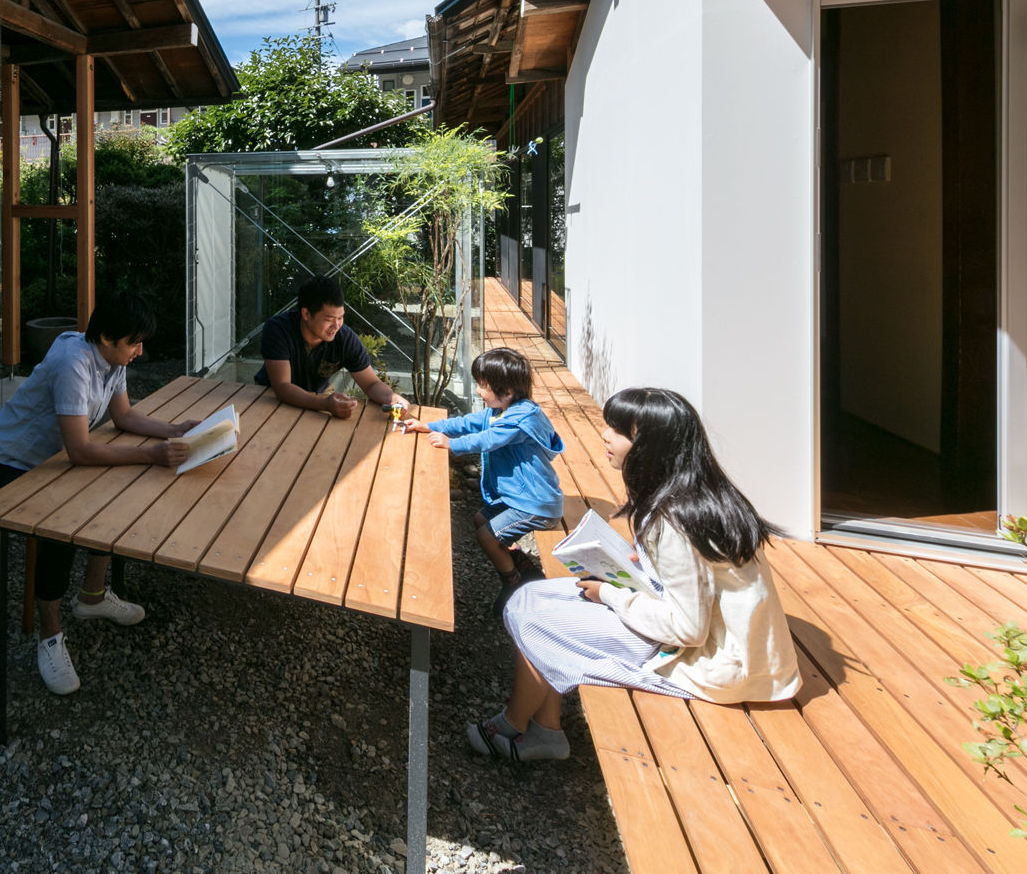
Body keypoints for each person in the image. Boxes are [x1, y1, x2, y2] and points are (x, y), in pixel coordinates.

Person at [468, 387, 800, 761]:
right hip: (698, 627)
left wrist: (610, 594)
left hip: (715, 660)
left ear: (652, 447)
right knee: (527, 597)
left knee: (538, 623)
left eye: (620, 431)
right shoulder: (691, 492)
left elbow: (689, 630)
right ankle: (546, 730)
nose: (605, 436)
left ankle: (513, 724)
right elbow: (696, 579)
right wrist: (640, 566)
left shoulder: (673, 518)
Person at [0, 291, 195, 696]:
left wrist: (176, 430)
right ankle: (50, 636)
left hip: (42, 463)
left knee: (112, 490)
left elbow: (124, 415)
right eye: (133, 343)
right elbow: (81, 451)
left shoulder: (109, 358)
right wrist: (151, 455)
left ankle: (92, 596)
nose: (139, 351)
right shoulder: (73, 364)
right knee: (60, 523)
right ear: (106, 337)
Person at [399, 347, 564, 618]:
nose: (478, 391)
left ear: (507, 392)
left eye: (483, 386)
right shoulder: (502, 410)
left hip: (537, 504)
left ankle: (512, 583)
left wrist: (452, 445)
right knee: (479, 519)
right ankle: (523, 566)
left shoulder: (520, 419)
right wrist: (430, 425)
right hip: (520, 498)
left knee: (486, 536)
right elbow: (469, 423)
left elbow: (486, 439)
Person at [254, 275, 407, 420]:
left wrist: (392, 397)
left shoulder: (344, 338)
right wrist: (324, 404)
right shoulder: (278, 329)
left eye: (340, 318)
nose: (336, 326)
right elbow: (282, 387)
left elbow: (371, 384)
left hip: (318, 399)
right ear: (306, 314)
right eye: (329, 319)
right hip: (269, 397)